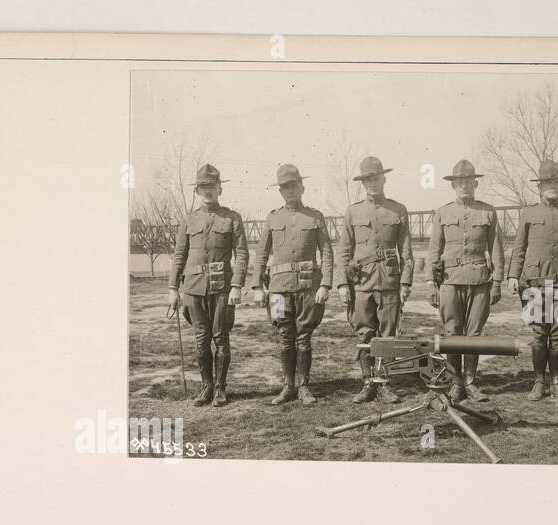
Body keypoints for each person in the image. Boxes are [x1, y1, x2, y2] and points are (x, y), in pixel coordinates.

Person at [249, 164, 334, 405]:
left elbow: (326, 253)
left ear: (302, 187)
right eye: (285, 187)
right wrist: (257, 286)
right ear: (280, 191)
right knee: (285, 336)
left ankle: (304, 387)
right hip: (277, 288)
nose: (290, 191)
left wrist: (325, 285)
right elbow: (261, 254)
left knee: (304, 337)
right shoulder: (273, 218)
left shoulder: (315, 217)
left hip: (308, 287)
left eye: (294, 186)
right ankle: (288, 386)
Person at [507, 160, 558, 402]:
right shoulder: (529, 213)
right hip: (534, 285)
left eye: (555, 182)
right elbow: (519, 248)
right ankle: (538, 383)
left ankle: (556, 383)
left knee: (557, 335)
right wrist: (513, 275)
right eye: (547, 183)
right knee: (538, 334)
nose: (551, 186)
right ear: (539, 187)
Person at [167, 164, 249, 406]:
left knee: (221, 338)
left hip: (222, 287)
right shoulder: (188, 220)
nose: (208, 191)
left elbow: (242, 254)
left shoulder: (232, 218)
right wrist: (173, 289)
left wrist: (236, 285)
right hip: (192, 289)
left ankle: (221, 389)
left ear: (220, 189)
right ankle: (206, 388)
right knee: (201, 339)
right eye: (203, 187)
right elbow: (179, 256)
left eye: (212, 186)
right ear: (197, 191)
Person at [334, 156, 413, 404]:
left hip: (389, 281)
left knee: (387, 336)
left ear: (383, 179)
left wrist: (406, 283)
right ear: (363, 182)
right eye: (367, 180)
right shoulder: (353, 211)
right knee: (364, 334)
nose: (372, 184)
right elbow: (344, 251)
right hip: (362, 283)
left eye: (376, 178)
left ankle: (385, 383)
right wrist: (342, 284)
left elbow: (406, 251)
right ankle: (368, 383)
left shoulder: (398, 210)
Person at [425, 160, 505, 402]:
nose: (464, 186)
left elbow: (497, 250)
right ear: (453, 186)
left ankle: (470, 382)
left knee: (474, 334)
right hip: (449, 281)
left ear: (475, 183)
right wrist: (431, 283)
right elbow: (433, 250)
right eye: (459, 183)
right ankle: (455, 382)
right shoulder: (442, 212)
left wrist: (498, 281)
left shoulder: (488, 212)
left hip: (480, 281)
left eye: (468, 182)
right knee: (452, 333)